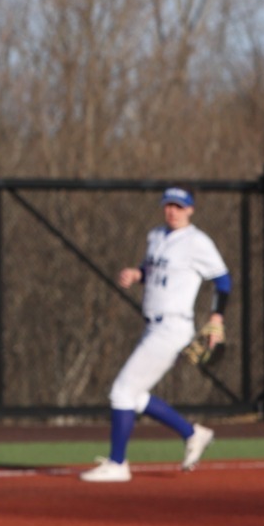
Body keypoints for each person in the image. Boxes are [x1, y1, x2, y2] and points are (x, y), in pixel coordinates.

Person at [81, 187, 226, 482]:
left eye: (178, 206)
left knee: (122, 390)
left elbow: (223, 280)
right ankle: (192, 433)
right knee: (134, 395)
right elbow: (155, 271)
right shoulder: (156, 236)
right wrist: (137, 275)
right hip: (152, 324)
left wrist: (216, 318)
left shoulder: (197, 242)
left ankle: (118, 463)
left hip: (173, 326)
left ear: (190, 209)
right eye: (168, 205)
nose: (172, 211)